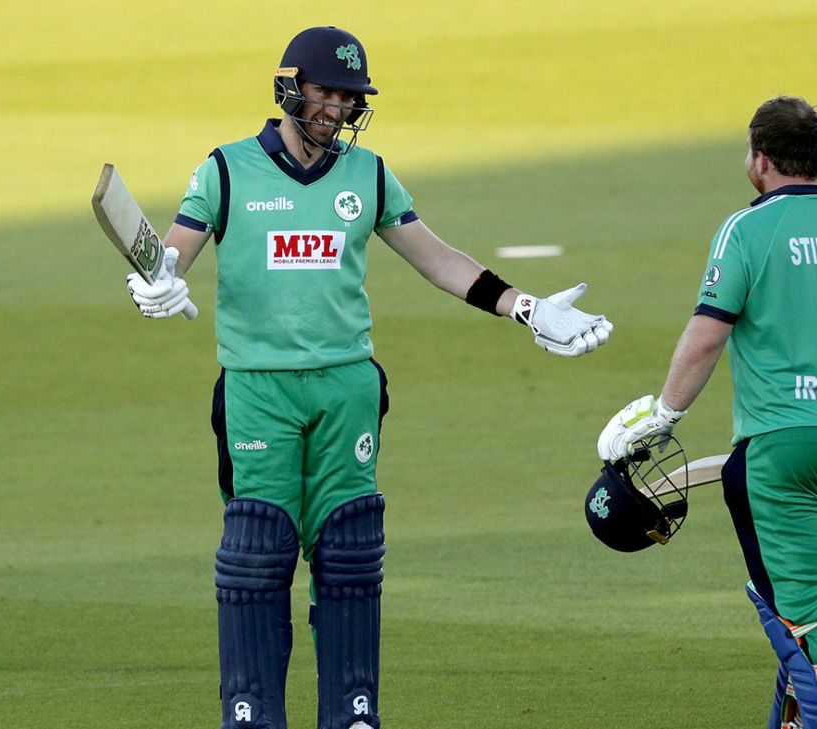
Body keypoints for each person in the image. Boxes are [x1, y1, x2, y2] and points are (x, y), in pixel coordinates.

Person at [123, 26, 613, 729]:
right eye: (326, 92)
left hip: (347, 385)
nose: (336, 109)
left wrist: (525, 307)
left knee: (349, 550)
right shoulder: (225, 170)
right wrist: (155, 284)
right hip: (259, 389)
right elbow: (171, 255)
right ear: (291, 87)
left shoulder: (369, 174)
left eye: (349, 98)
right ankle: (252, 712)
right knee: (259, 552)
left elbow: (437, 257)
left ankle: (353, 713)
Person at [596, 96, 817, 729]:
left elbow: (706, 335)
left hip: (783, 451)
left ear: (761, 159)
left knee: (808, 614)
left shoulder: (747, 230)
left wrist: (660, 415)